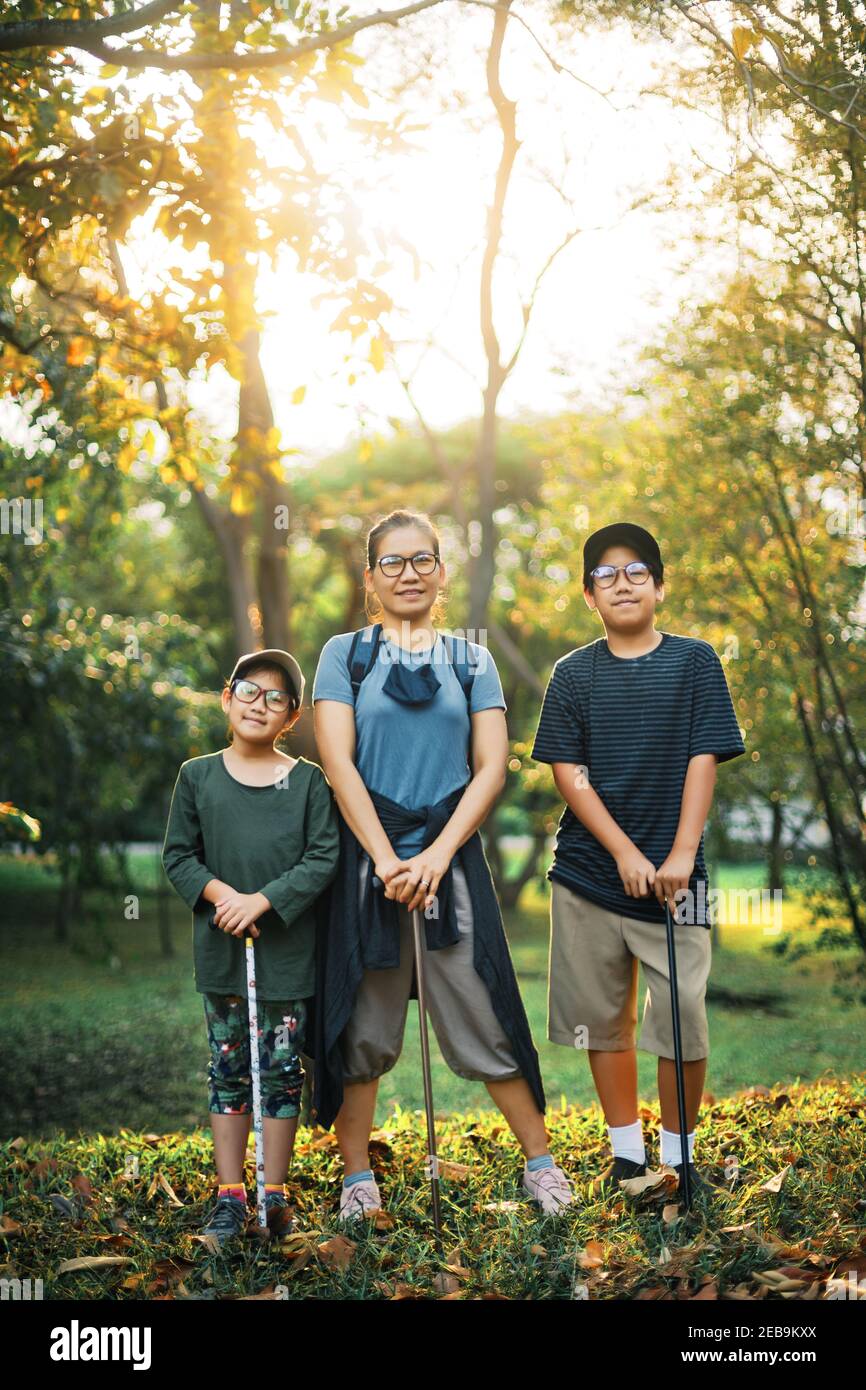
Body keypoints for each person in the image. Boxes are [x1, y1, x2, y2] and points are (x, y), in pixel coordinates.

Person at [311, 509, 574, 1221]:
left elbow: (489, 771)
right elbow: (337, 763)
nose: (408, 573)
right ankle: (357, 1180)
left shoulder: (471, 660)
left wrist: (431, 856)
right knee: (365, 1023)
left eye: (422, 559)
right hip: (369, 866)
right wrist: (389, 861)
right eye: (392, 563)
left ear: (441, 571)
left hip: (449, 861)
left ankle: (541, 1167)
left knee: (484, 1003)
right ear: (370, 578)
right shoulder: (345, 655)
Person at [530, 522, 745, 1201]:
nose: (621, 584)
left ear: (658, 585)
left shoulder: (695, 662)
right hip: (589, 875)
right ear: (589, 593)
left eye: (635, 572)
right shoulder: (572, 674)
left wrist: (681, 852)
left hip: (686, 880)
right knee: (604, 1018)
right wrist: (623, 850)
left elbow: (702, 758)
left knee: (684, 1013)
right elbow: (570, 773)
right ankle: (628, 1157)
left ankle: (681, 1160)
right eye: (606, 575)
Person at [162, 649, 340, 1244]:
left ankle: (275, 1192)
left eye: (276, 698)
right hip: (222, 958)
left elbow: (323, 857)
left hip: (285, 960)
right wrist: (223, 898)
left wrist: (261, 901)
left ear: (290, 716)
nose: (259, 704)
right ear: (226, 698)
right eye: (248, 690)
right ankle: (231, 1194)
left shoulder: (308, 781)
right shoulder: (197, 776)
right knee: (229, 1069)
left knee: (282, 1071)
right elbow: (178, 856)